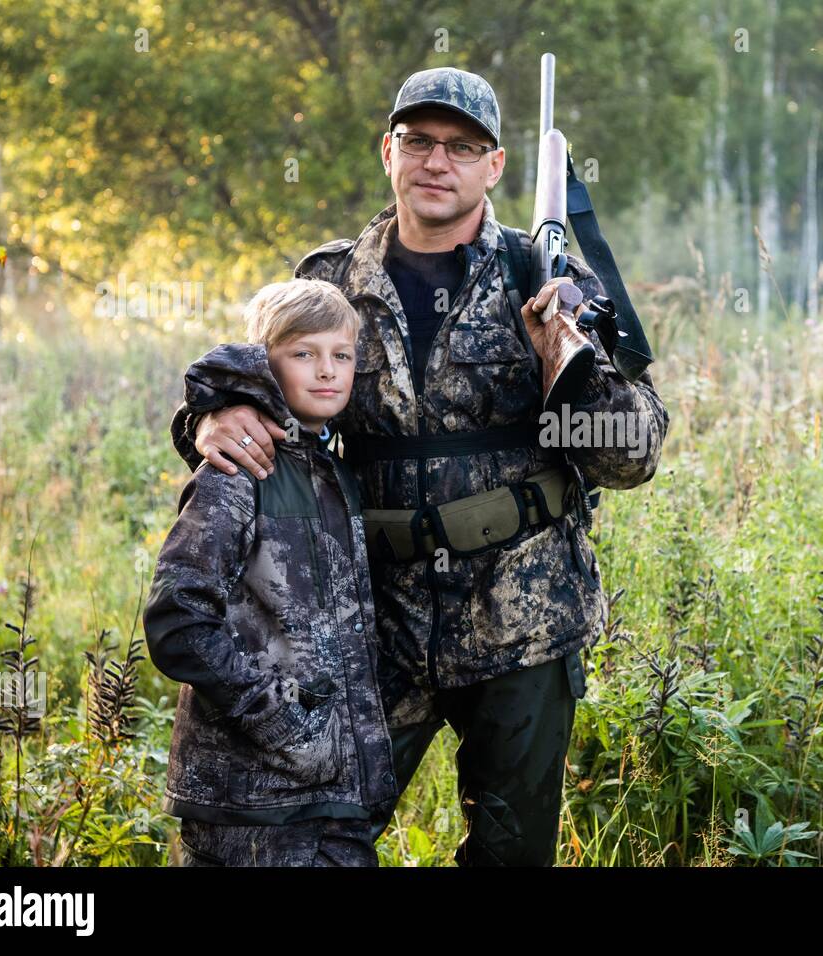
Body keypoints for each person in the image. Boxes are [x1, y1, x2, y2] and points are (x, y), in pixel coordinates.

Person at [167, 67, 669, 866]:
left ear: (494, 167)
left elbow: (633, 455)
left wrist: (566, 364)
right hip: (368, 621)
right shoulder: (330, 279)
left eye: (462, 147)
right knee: (316, 838)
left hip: (522, 619)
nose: (439, 162)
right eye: (420, 142)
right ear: (389, 153)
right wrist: (212, 415)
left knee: (510, 854)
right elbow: (255, 389)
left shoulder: (545, 278)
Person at [144, 279, 398, 866]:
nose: (327, 371)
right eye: (303, 354)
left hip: (330, 801)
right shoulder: (238, 472)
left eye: (342, 355)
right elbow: (176, 619)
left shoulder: (333, 472)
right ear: (264, 363)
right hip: (254, 802)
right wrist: (282, 723)